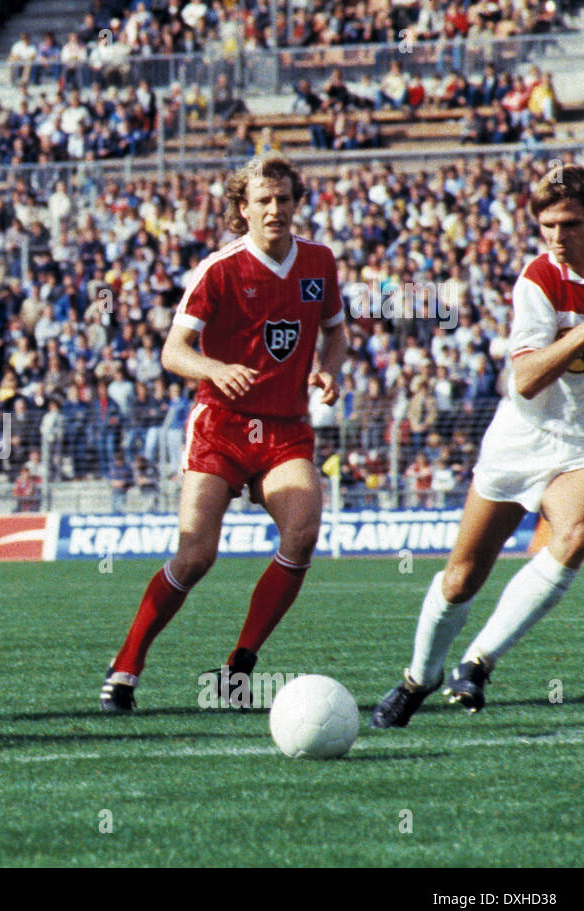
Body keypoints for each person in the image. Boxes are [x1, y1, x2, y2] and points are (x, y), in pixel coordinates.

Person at [100, 154, 347, 712]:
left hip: (285, 429)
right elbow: (173, 351)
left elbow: (336, 332)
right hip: (222, 428)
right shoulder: (220, 268)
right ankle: (125, 668)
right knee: (195, 556)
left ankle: (239, 667)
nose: (275, 209)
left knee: (303, 533)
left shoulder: (319, 262)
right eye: (263, 200)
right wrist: (214, 368)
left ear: (296, 203)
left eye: (284, 199)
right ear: (243, 208)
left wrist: (330, 368)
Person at [371, 165, 584, 727]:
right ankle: (417, 679)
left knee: (576, 533)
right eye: (546, 224)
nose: (555, 236)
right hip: (521, 437)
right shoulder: (537, 280)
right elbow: (525, 380)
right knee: (461, 577)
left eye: (569, 223)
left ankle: (477, 662)